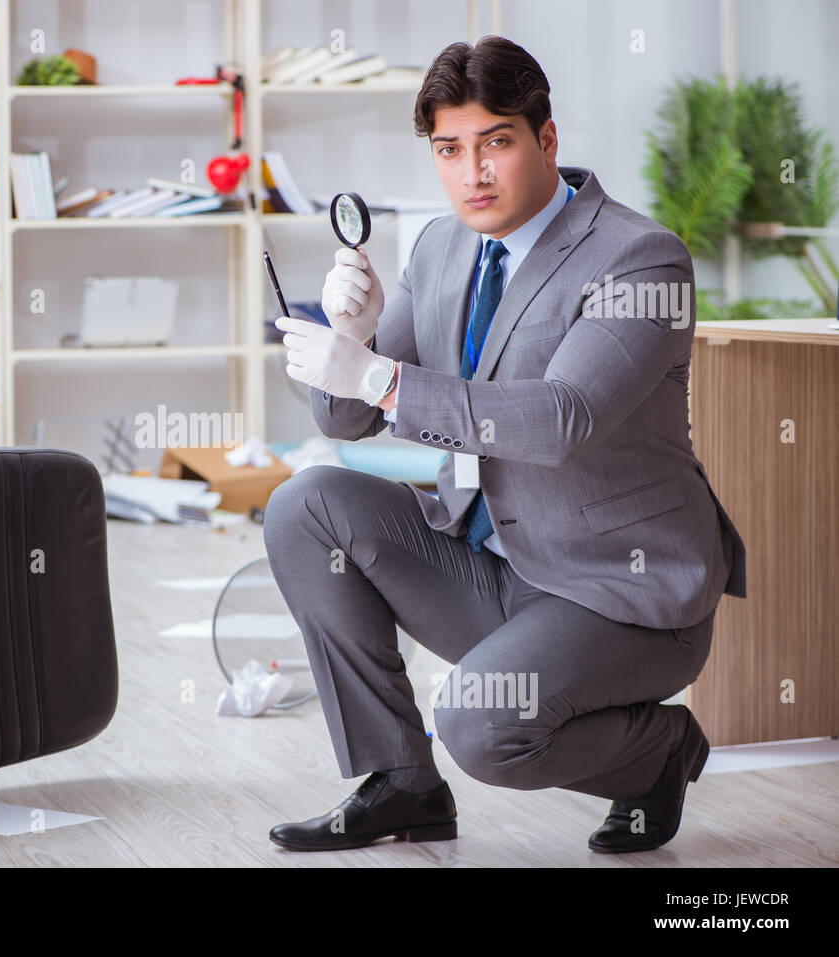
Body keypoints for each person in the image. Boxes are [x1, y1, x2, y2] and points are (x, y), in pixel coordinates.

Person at [263, 35, 746, 854]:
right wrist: (352, 330)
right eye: (450, 150)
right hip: (496, 569)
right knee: (304, 506)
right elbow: (345, 422)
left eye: (497, 143)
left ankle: (659, 752)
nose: (472, 174)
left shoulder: (641, 258)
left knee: (482, 727)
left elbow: (561, 420)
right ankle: (402, 783)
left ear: (546, 140)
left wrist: (378, 375)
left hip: (620, 593)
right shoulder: (441, 248)